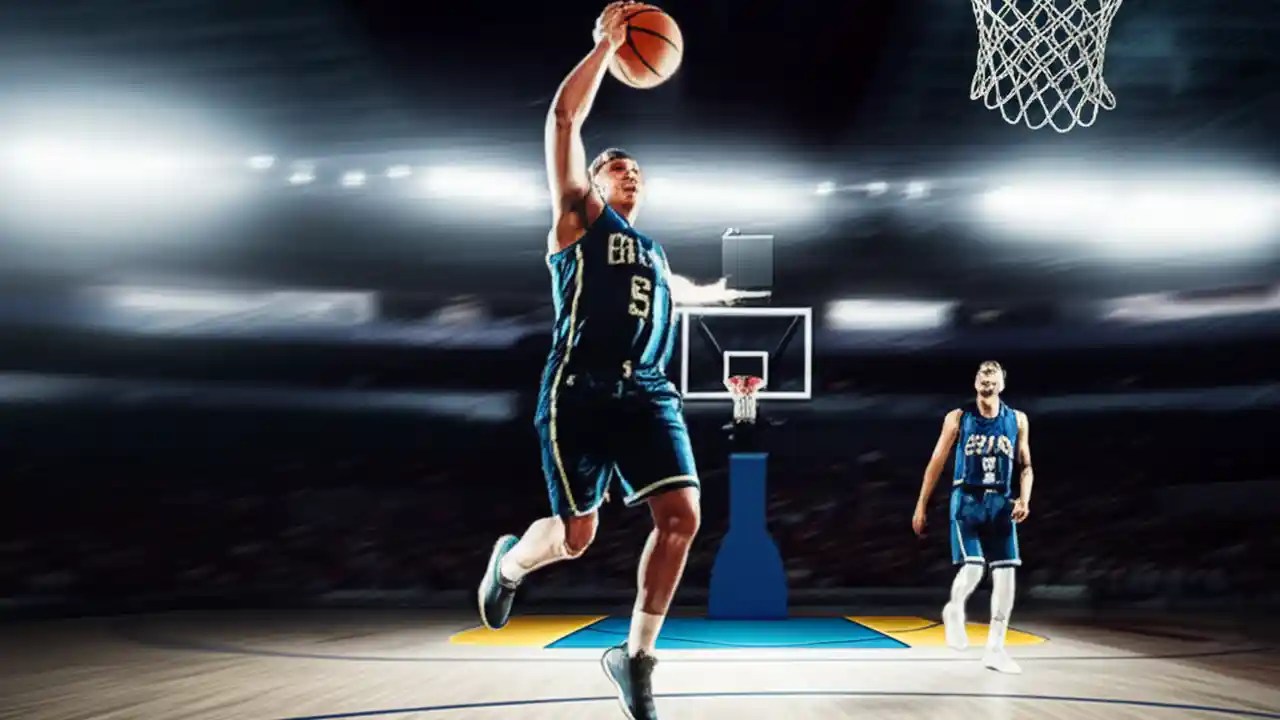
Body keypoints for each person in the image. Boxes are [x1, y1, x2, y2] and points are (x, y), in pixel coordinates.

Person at [477, 3, 763, 718]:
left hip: (647, 392)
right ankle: (509, 565)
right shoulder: (578, 217)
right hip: (578, 387)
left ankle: (635, 659)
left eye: (636, 170)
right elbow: (563, 119)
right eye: (616, 167)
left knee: (684, 516)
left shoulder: (654, 253)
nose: (629, 173)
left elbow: (672, 289)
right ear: (595, 182)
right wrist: (608, 46)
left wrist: (716, 294)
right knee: (576, 538)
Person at [912, 360, 1034, 674]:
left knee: (1006, 575)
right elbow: (936, 461)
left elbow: (1026, 466)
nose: (986, 377)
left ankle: (995, 649)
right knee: (974, 566)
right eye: (982, 373)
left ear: (1002, 384)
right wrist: (921, 504)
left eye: (993, 374)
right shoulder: (958, 417)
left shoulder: (1017, 419)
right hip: (967, 497)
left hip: (1002, 501)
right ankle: (954, 609)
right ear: (975, 382)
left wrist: (1024, 498)